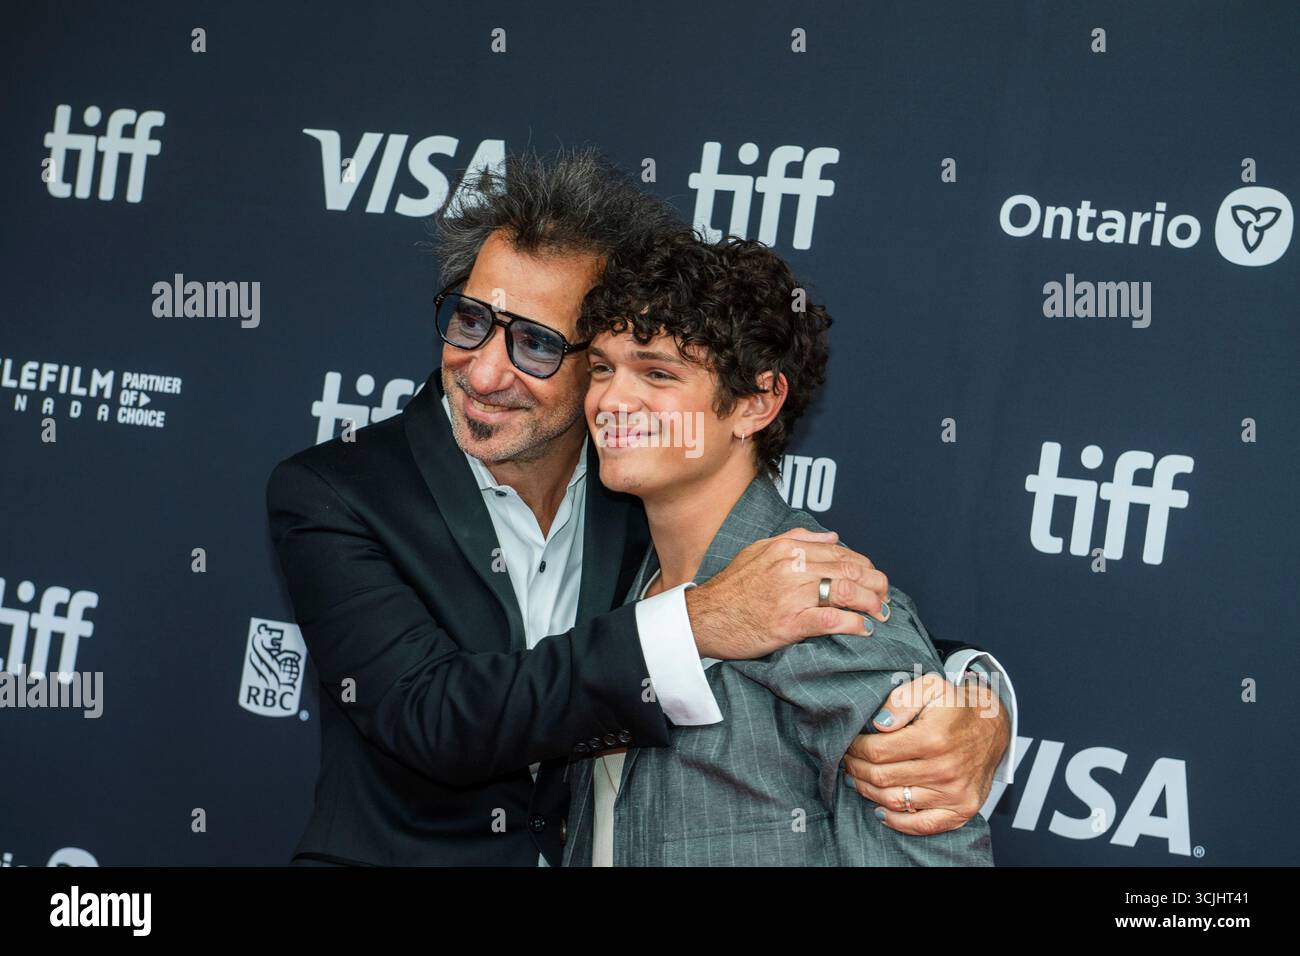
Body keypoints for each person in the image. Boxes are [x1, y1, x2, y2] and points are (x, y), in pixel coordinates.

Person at [266, 148, 1013, 866]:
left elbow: (836, 623)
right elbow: (435, 716)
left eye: (536, 344)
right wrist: (700, 622)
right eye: (469, 322)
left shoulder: (641, 485)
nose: (485, 370)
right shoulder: (336, 492)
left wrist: (973, 705)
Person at [563, 229, 994, 865]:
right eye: (602, 367)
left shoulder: (826, 609)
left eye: (657, 372)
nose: (611, 400)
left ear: (757, 404)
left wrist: (976, 706)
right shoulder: (618, 572)